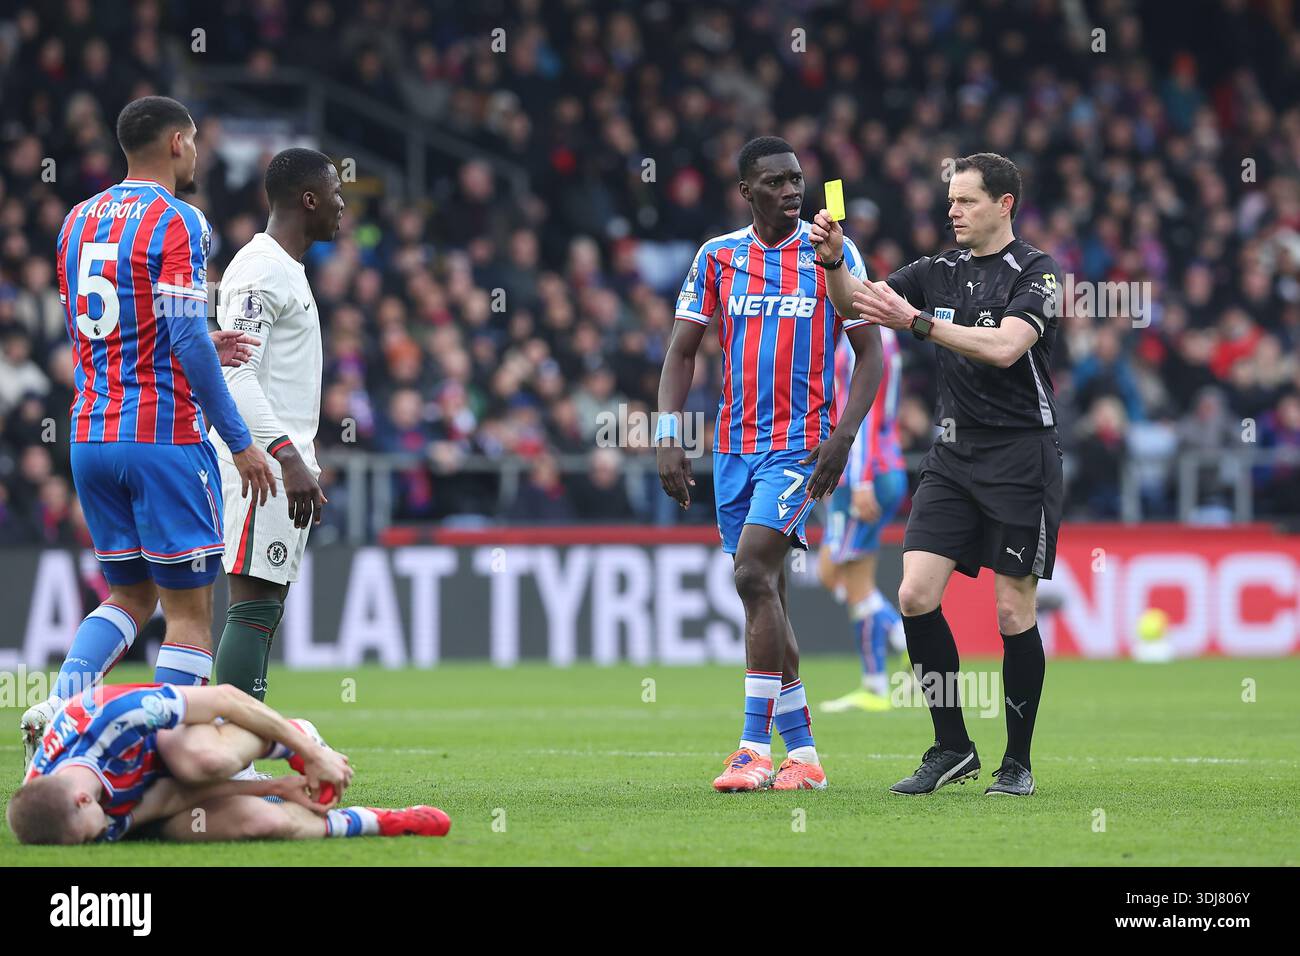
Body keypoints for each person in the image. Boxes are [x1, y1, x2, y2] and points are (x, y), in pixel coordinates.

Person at [20, 96, 276, 766]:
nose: (196, 153)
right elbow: (185, 332)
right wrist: (241, 440)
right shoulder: (180, 220)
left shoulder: (76, 221)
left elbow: (98, 332)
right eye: (193, 141)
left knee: (128, 595)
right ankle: (158, 757)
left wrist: (189, 346)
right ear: (176, 144)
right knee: (188, 614)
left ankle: (62, 713)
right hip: (162, 438)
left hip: (91, 435)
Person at [812, 152, 1063, 796]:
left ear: (1004, 204)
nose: (953, 210)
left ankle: (1017, 762)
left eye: (968, 200)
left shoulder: (1034, 271)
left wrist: (921, 323)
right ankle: (952, 745)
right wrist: (837, 260)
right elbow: (857, 308)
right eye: (950, 200)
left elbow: (1007, 347)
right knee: (915, 595)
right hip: (952, 457)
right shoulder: (938, 269)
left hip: (1020, 455)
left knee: (1012, 612)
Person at [656, 136, 883, 792]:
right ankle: (805, 756)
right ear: (746, 191)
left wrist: (842, 438)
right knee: (768, 595)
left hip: (799, 447)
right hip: (733, 449)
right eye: (777, 182)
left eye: (798, 180)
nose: (792, 191)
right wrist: (669, 431)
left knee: (751, 571)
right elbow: (681, 352)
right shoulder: (718, 257)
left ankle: (752, 748)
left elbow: (870, 355)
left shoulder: (828, 254)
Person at [210, 148, 341, 742]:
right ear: (308, 199)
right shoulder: (261, 269)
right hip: (259, 465)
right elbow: (235, 373)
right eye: (336, 193)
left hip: (276, 458)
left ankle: (237, 749)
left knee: (263, 608)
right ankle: (230, 754)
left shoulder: (287, 268)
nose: (343, 205)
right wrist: (285, 455)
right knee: (254, 606)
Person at [9, 682, 450, 844]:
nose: (102, 837)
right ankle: (378, 822)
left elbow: (226, 698)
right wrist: (272, 789)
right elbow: (170, 800)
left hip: (182, 741)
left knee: (202, 760)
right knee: (261, 823)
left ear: (85, 798)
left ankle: (290, 739)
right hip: (163, 795)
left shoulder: (113, 717)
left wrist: (311, 753)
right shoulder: (59, 808)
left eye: (92, 835)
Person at [817, 325, 909, 713]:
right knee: (855, 580)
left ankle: (906, 640)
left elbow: (866, 412)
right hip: (880, 464)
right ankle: (875, 682)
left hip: (864, 471)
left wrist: (862, 479)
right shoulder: (879, 335)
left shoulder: (864, 337)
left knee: (835, 573)